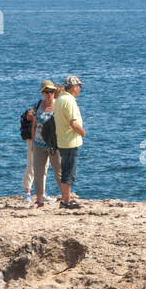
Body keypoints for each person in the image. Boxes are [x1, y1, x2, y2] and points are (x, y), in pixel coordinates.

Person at [28, 80, 63, 207]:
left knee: (58, 171)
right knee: (38, 172)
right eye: (47, 92)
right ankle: (39, 200)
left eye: (52, 92)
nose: (49, 94)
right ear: (42, 93)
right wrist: (32, 143)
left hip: (54, 145)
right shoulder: (38, 105)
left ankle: (65, 198)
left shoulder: (58, 105)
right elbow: (34, 125)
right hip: (38, 144)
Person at [53, 74, 85, 208]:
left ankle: (66, 199)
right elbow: (73, 123)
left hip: (62, 140)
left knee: (66, 170)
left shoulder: (60, 99)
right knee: (69, 172)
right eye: (79, 86)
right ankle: (66, 201)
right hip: (70, 141)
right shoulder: (69, 101)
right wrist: (83, 132)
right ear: (73, 87)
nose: (80, 89)